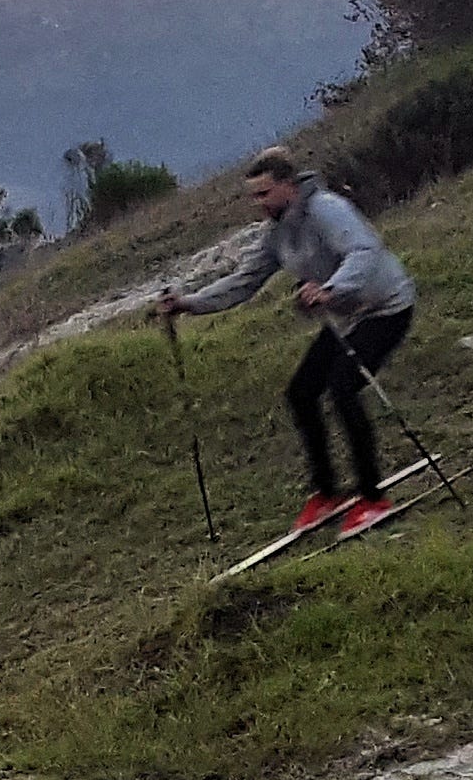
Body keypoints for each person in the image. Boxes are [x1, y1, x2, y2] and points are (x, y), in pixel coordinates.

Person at [153, 149, 420, 537]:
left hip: (385, 308)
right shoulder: (278, 233)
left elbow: (366, 251)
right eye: (253, 196)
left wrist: (331, 289)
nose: (258, 204)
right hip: (344, 319)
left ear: (288, 186)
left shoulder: (326, 208)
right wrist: (187, 303)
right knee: (301, 393)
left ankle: (372, 498)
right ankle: (327, 493)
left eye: (264, 194)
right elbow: (244, 282)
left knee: (344, 389)